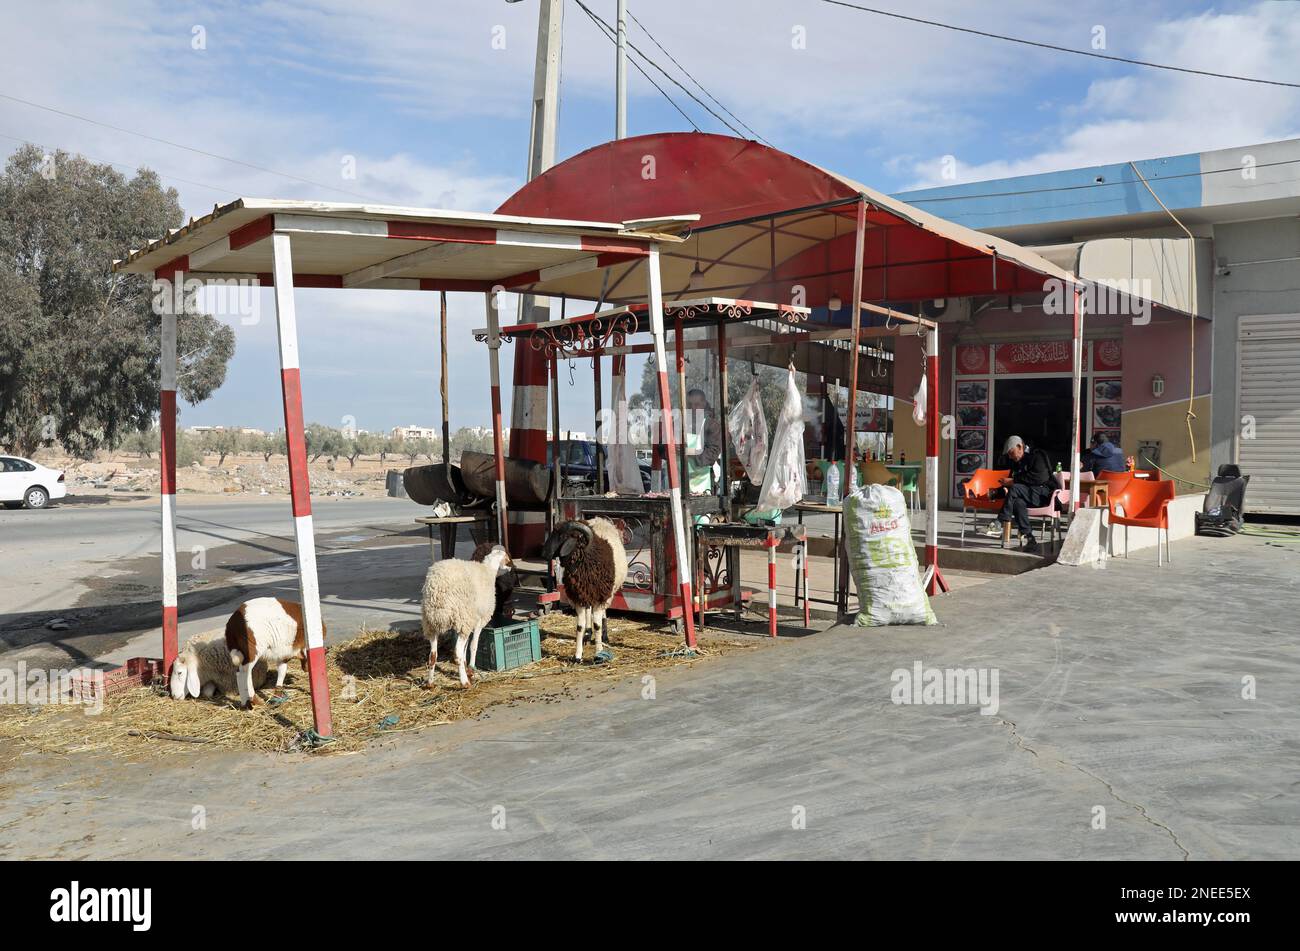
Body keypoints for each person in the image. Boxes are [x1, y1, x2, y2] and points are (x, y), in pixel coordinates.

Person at [983, 434, 1053, 553]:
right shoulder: (1017, 463)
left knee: (1015, 488)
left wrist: (1013, 481)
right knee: (1017, 503)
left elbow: (1040, 478)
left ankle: (999, 522)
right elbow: (1011, 484)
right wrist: (996, 492)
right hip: (1026, 496)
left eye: (1011, 453)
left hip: (1042, 495)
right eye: (1009, 455)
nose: (1010, 457)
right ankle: (1030, 538)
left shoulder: (1037, 456)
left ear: (1020, 447)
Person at [684, 387, 723, 495]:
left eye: (696, 405)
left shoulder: (712, 425)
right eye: (689, 405)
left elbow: (712, 454)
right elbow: (661, 448)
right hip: (678, 484)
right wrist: (669, 449)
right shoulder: (679, 424)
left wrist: (688, 452)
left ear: (704, 404)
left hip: (701, 486)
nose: (692, 408)